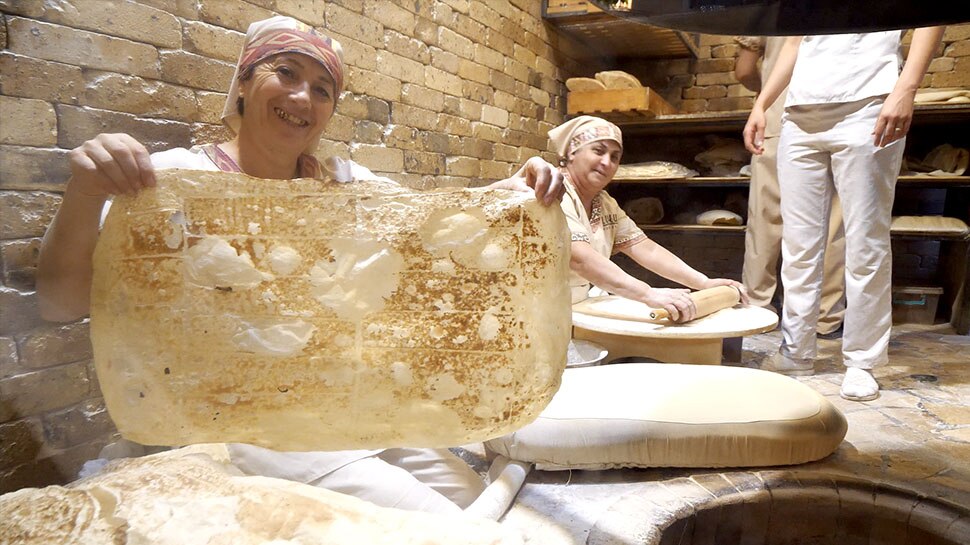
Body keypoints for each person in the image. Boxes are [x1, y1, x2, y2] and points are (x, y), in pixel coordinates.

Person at [36, 15, 566, 514]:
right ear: (242, 84)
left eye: (322, 89)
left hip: (348, 398)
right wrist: (84, 191)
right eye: (285, 73)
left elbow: (437, 230)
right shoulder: (173, 184)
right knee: (438, 524)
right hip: (242, 421)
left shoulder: (344, 187)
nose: (301, 97)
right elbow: (60, 303)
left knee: (471, 493)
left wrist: (514, 193)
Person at [743, 27, 945, 401]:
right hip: (799, 114)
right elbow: (794, 41)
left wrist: (905, 89)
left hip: (869, 103)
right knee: (799, 243)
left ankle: (861, 361)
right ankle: (796, 351)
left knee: (865, 240)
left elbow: (932, 19)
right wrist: (763, 102)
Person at [549, 115, 747, 322]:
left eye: (615, 156)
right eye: (598, 151)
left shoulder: (604, 202)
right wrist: (648, 294)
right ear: (572, 152)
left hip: (576, 304)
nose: (607, 162)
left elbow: (646, 249)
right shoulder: (556, 191)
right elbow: (580, 259)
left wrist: (703, 283)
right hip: (542, 308)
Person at [734, 36, 846, 340]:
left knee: (766, 218)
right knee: (831, 220)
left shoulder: (770, 6)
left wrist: (765, 92)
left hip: (777, 114)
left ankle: (757, 306)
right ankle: (825, 317)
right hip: (837, 113)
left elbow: (744, 70)